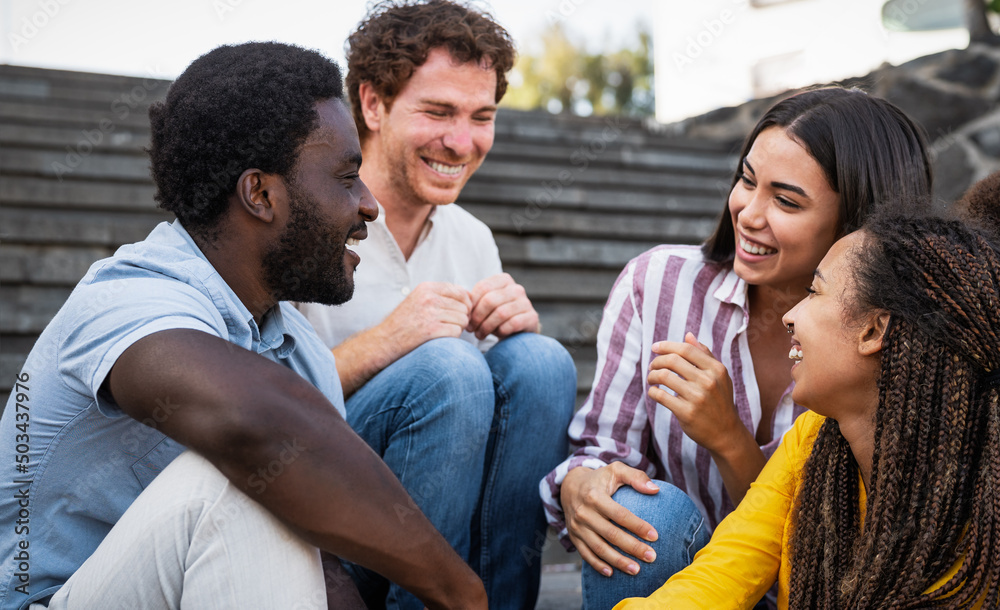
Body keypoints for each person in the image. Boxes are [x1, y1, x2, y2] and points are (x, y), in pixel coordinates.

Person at [0, 42, 487, 610]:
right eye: (348, 177)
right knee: (240, 480)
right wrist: (461, 593)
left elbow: (323, 572)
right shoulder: (125, 297)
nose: (369, 205)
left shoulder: (297, 350)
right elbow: (255, 424)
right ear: (260, 193)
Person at [540, 87, 934, 608]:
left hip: (814, 591)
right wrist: (581, 488)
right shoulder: (657, 285)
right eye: (747, 181)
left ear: (859, 224)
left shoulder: (896, 345)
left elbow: (836, 548)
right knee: (641, 512)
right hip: (688, 582)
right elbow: (600, 453)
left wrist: (728, 438)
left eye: (787, 201)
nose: (748, 213)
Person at [296, 2, 576, 607]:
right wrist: (388, 342)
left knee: (543, 362)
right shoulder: (303, 223)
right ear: (372, 104)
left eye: (482, 116)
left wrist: (512, 330)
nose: (462, 142)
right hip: (320, 507)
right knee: (446, 368)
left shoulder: (472, 237)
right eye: (438, 111)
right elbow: (247, 406)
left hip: (443, 507)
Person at [615, 211, 1000, 608]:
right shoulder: (811, 439)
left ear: (873, 331)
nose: (789, 315)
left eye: (813, 293)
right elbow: (718, 576)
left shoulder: (982, 497)